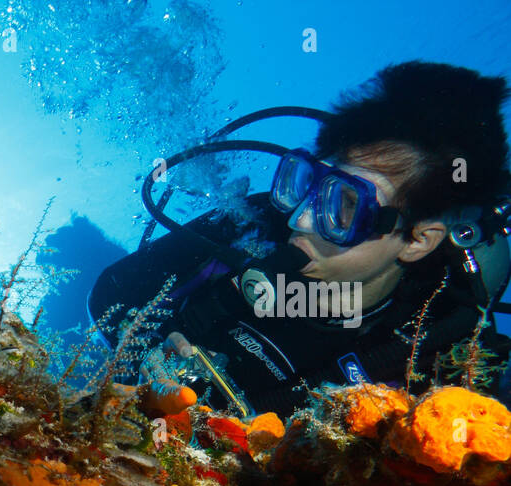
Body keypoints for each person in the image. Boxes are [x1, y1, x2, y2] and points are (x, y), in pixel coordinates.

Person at [89, 61, 511, 420]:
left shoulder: (442, 347)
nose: (302, 216)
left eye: (345, 206)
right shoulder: (252, 221)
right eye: (307, 183)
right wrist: (147, 354)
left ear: (418, 241)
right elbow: (113, 290)